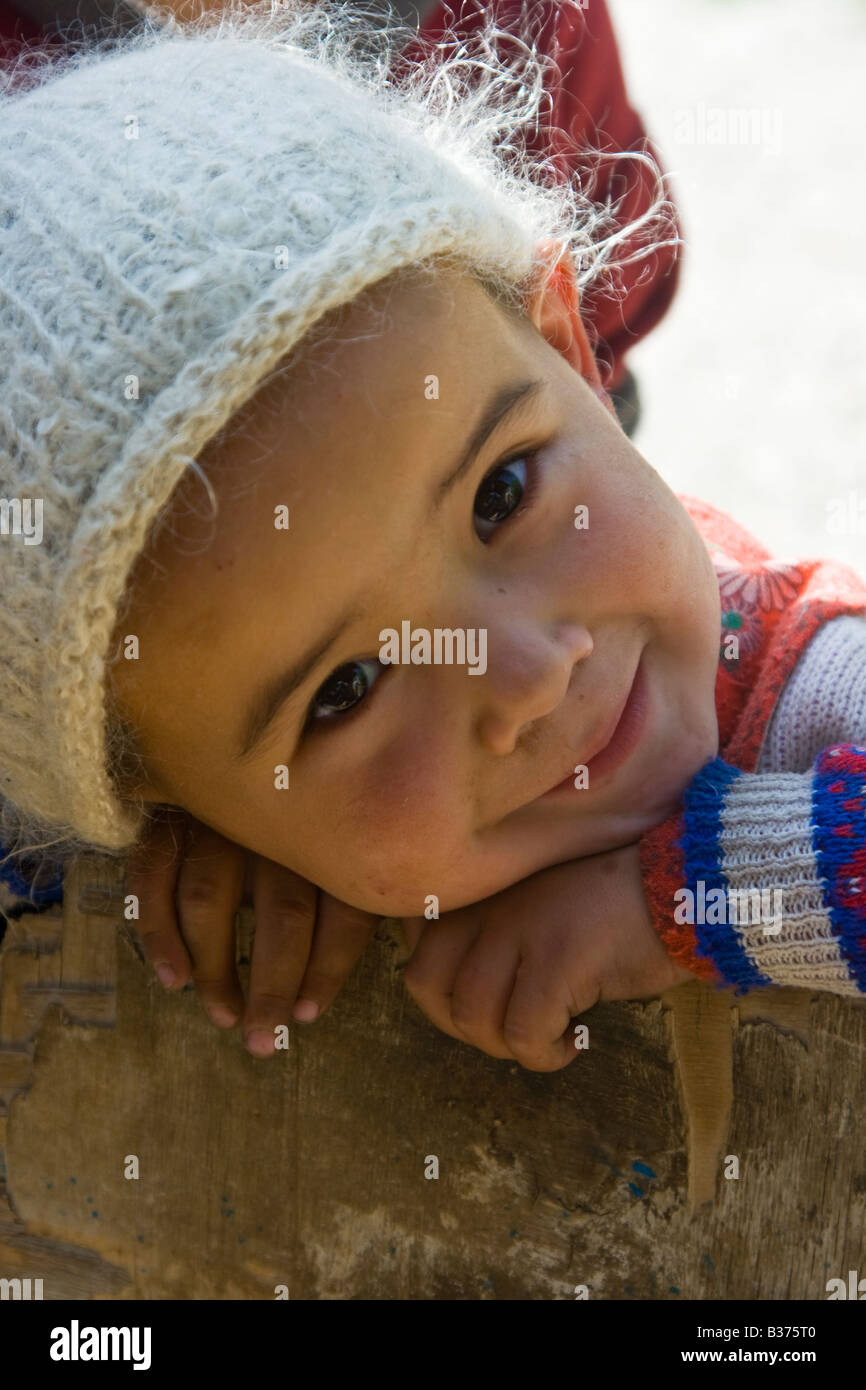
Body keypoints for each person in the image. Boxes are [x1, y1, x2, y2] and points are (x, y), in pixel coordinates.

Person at [0, 4, 863, 1075]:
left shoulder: (797, 679)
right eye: (345, 689)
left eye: (501, 494)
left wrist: (683, 897)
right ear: (154, 800)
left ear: (565, 344)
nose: (531, 677)